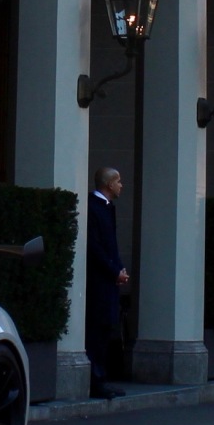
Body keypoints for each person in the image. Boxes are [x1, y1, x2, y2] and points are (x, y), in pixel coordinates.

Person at [86, 168, 130, 398]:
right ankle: (97, 380)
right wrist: (115, 271)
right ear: (109, 184)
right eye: (119, 181)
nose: (122, 185)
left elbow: (110, 245)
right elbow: (96, 246)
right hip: (100, 281)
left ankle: (101, 378)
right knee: (98, 329)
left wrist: (119, 268)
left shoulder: (105, 208)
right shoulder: (95, 208)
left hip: (108, 278)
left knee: (104, 329)